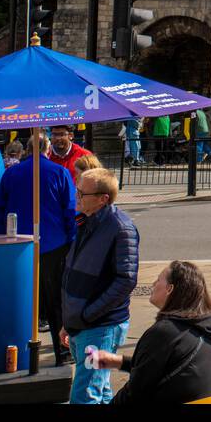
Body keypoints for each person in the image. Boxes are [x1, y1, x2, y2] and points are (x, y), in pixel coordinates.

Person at [91, 261, 211, 404]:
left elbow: (135, 393)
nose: (153, 284)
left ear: (169, 289)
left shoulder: (165, 332)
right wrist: (119, 362)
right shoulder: (208, 328)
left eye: (158, 280)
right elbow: (167, 367)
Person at [0, 134, 77, 364]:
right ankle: (63, 351)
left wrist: (3, 238)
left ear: (27, 150)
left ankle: (18, 354)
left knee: (21, 299)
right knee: (56, 303)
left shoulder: (11, 173)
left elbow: (0, 210)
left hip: (19, 245)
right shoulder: (59, 172)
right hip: (53, 244)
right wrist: (72, 240)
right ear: (47, 148)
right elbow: (70, 209)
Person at [60, 168, 140, 404]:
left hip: (100, 326)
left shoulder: (120, 227)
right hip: (81, 323)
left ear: (103, 198)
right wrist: (70, 320)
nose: (76, 196)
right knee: (100, 390)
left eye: (82, 193)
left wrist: (88, 315)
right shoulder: (85, 221)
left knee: (85, 395)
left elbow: (126, 280)